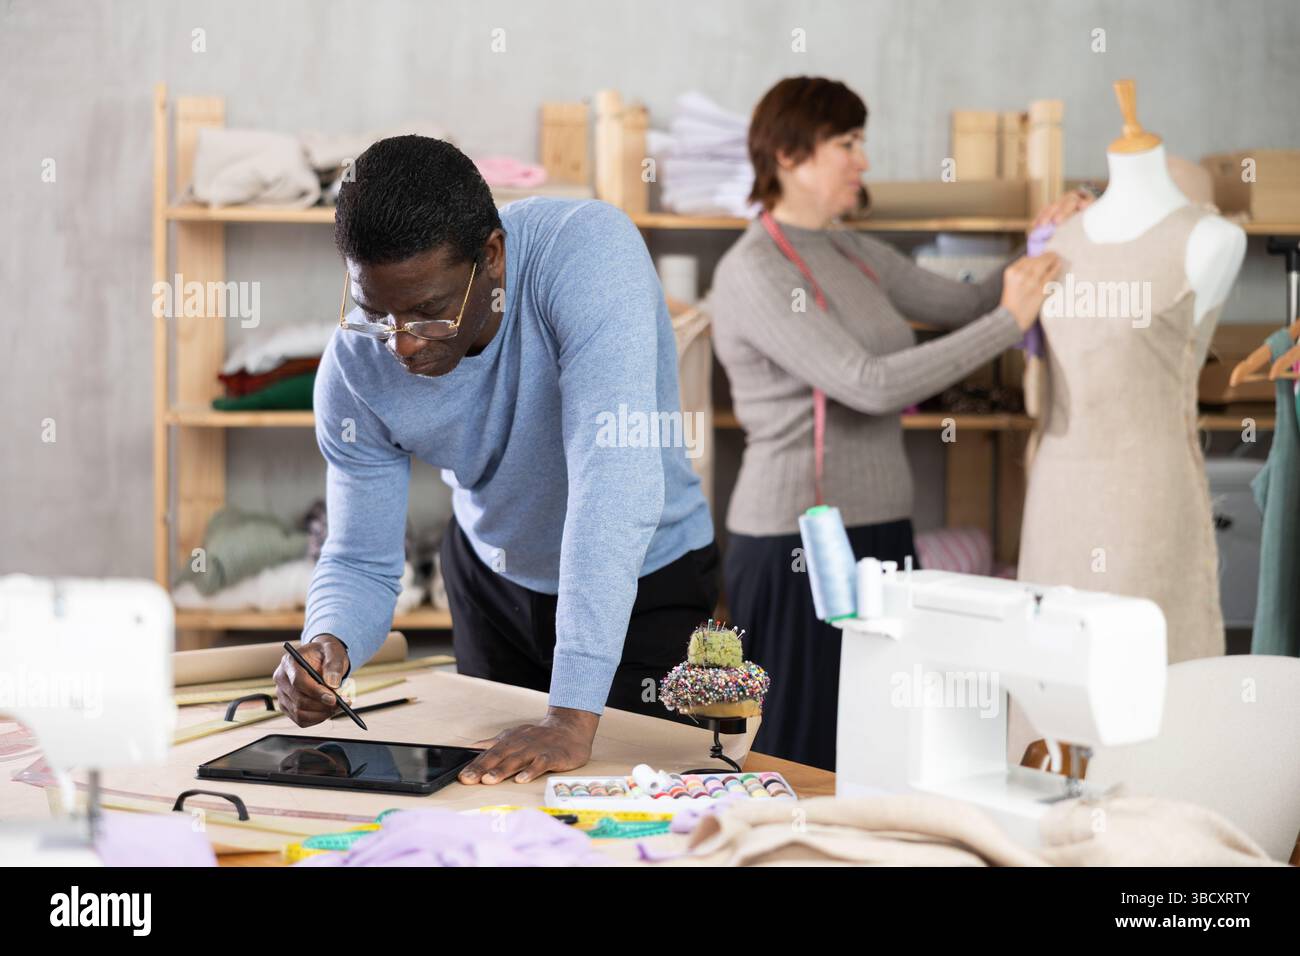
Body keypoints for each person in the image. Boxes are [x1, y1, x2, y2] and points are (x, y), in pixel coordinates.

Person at [272, 135, 717, 785]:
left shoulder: (588, 253)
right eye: (378, 312)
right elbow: (361, 558)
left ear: (493, 257)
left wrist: (570, 714)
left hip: (648, 580)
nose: (401, 344)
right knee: (492, 815)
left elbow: (613, 483)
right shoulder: (354, 368)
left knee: (647, 815)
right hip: (494, 589)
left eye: (428, 311)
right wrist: (328, 645)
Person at [709, 76, 1087, 770]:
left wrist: (1048, 243)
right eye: (847, 143)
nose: (865, 160)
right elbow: (867, 385)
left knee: (879, 739)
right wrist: (1012, 323)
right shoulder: (753, 270)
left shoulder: (851, 250)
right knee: (802, 752)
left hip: (880, 533)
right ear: (789, 155)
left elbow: (964, 303)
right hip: (799, 546)